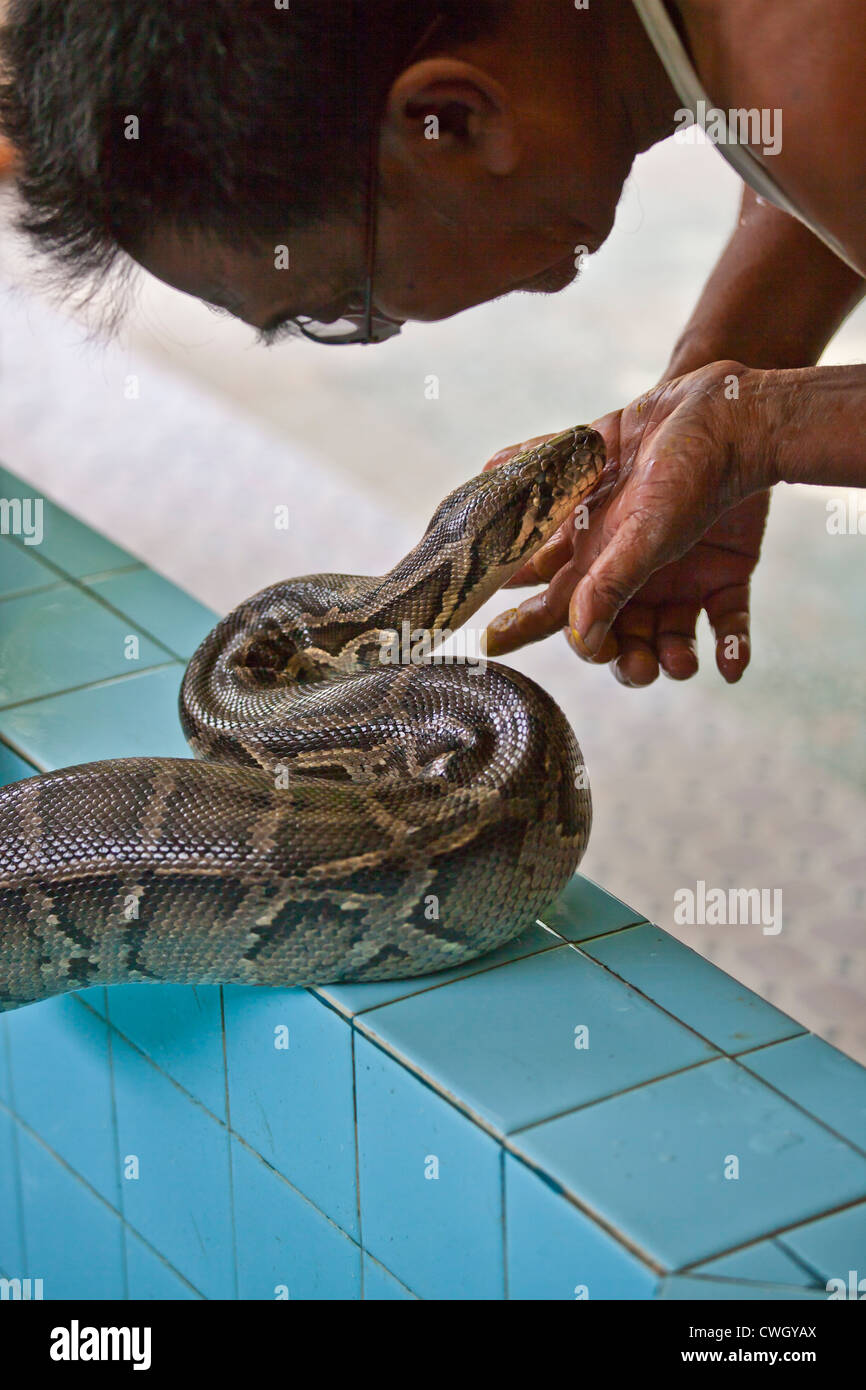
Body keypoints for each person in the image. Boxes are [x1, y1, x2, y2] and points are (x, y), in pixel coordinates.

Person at [1, 0, 864, 688]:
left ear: (447, 122)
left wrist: (763, 426)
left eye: (347, 303)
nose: (379, 329)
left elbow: (828, 120)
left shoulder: (823, 70)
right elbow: (805, 158)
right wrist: (716, 382)